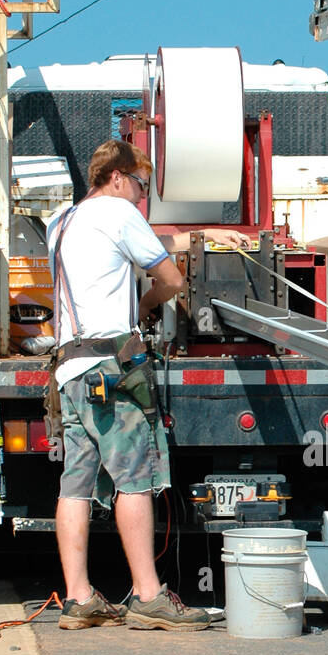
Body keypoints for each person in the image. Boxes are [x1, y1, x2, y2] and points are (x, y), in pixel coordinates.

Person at [48, 138, 249, 630]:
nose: (142, 198)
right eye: (140, 186)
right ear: (117, 177)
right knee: (134, 480)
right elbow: (173, 279)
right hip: (111, 372)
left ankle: (78, 599)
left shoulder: (62, 221)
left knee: (74, 486)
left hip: (69, 371)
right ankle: (148, 595)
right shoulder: (119, 214)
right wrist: (145, 304)